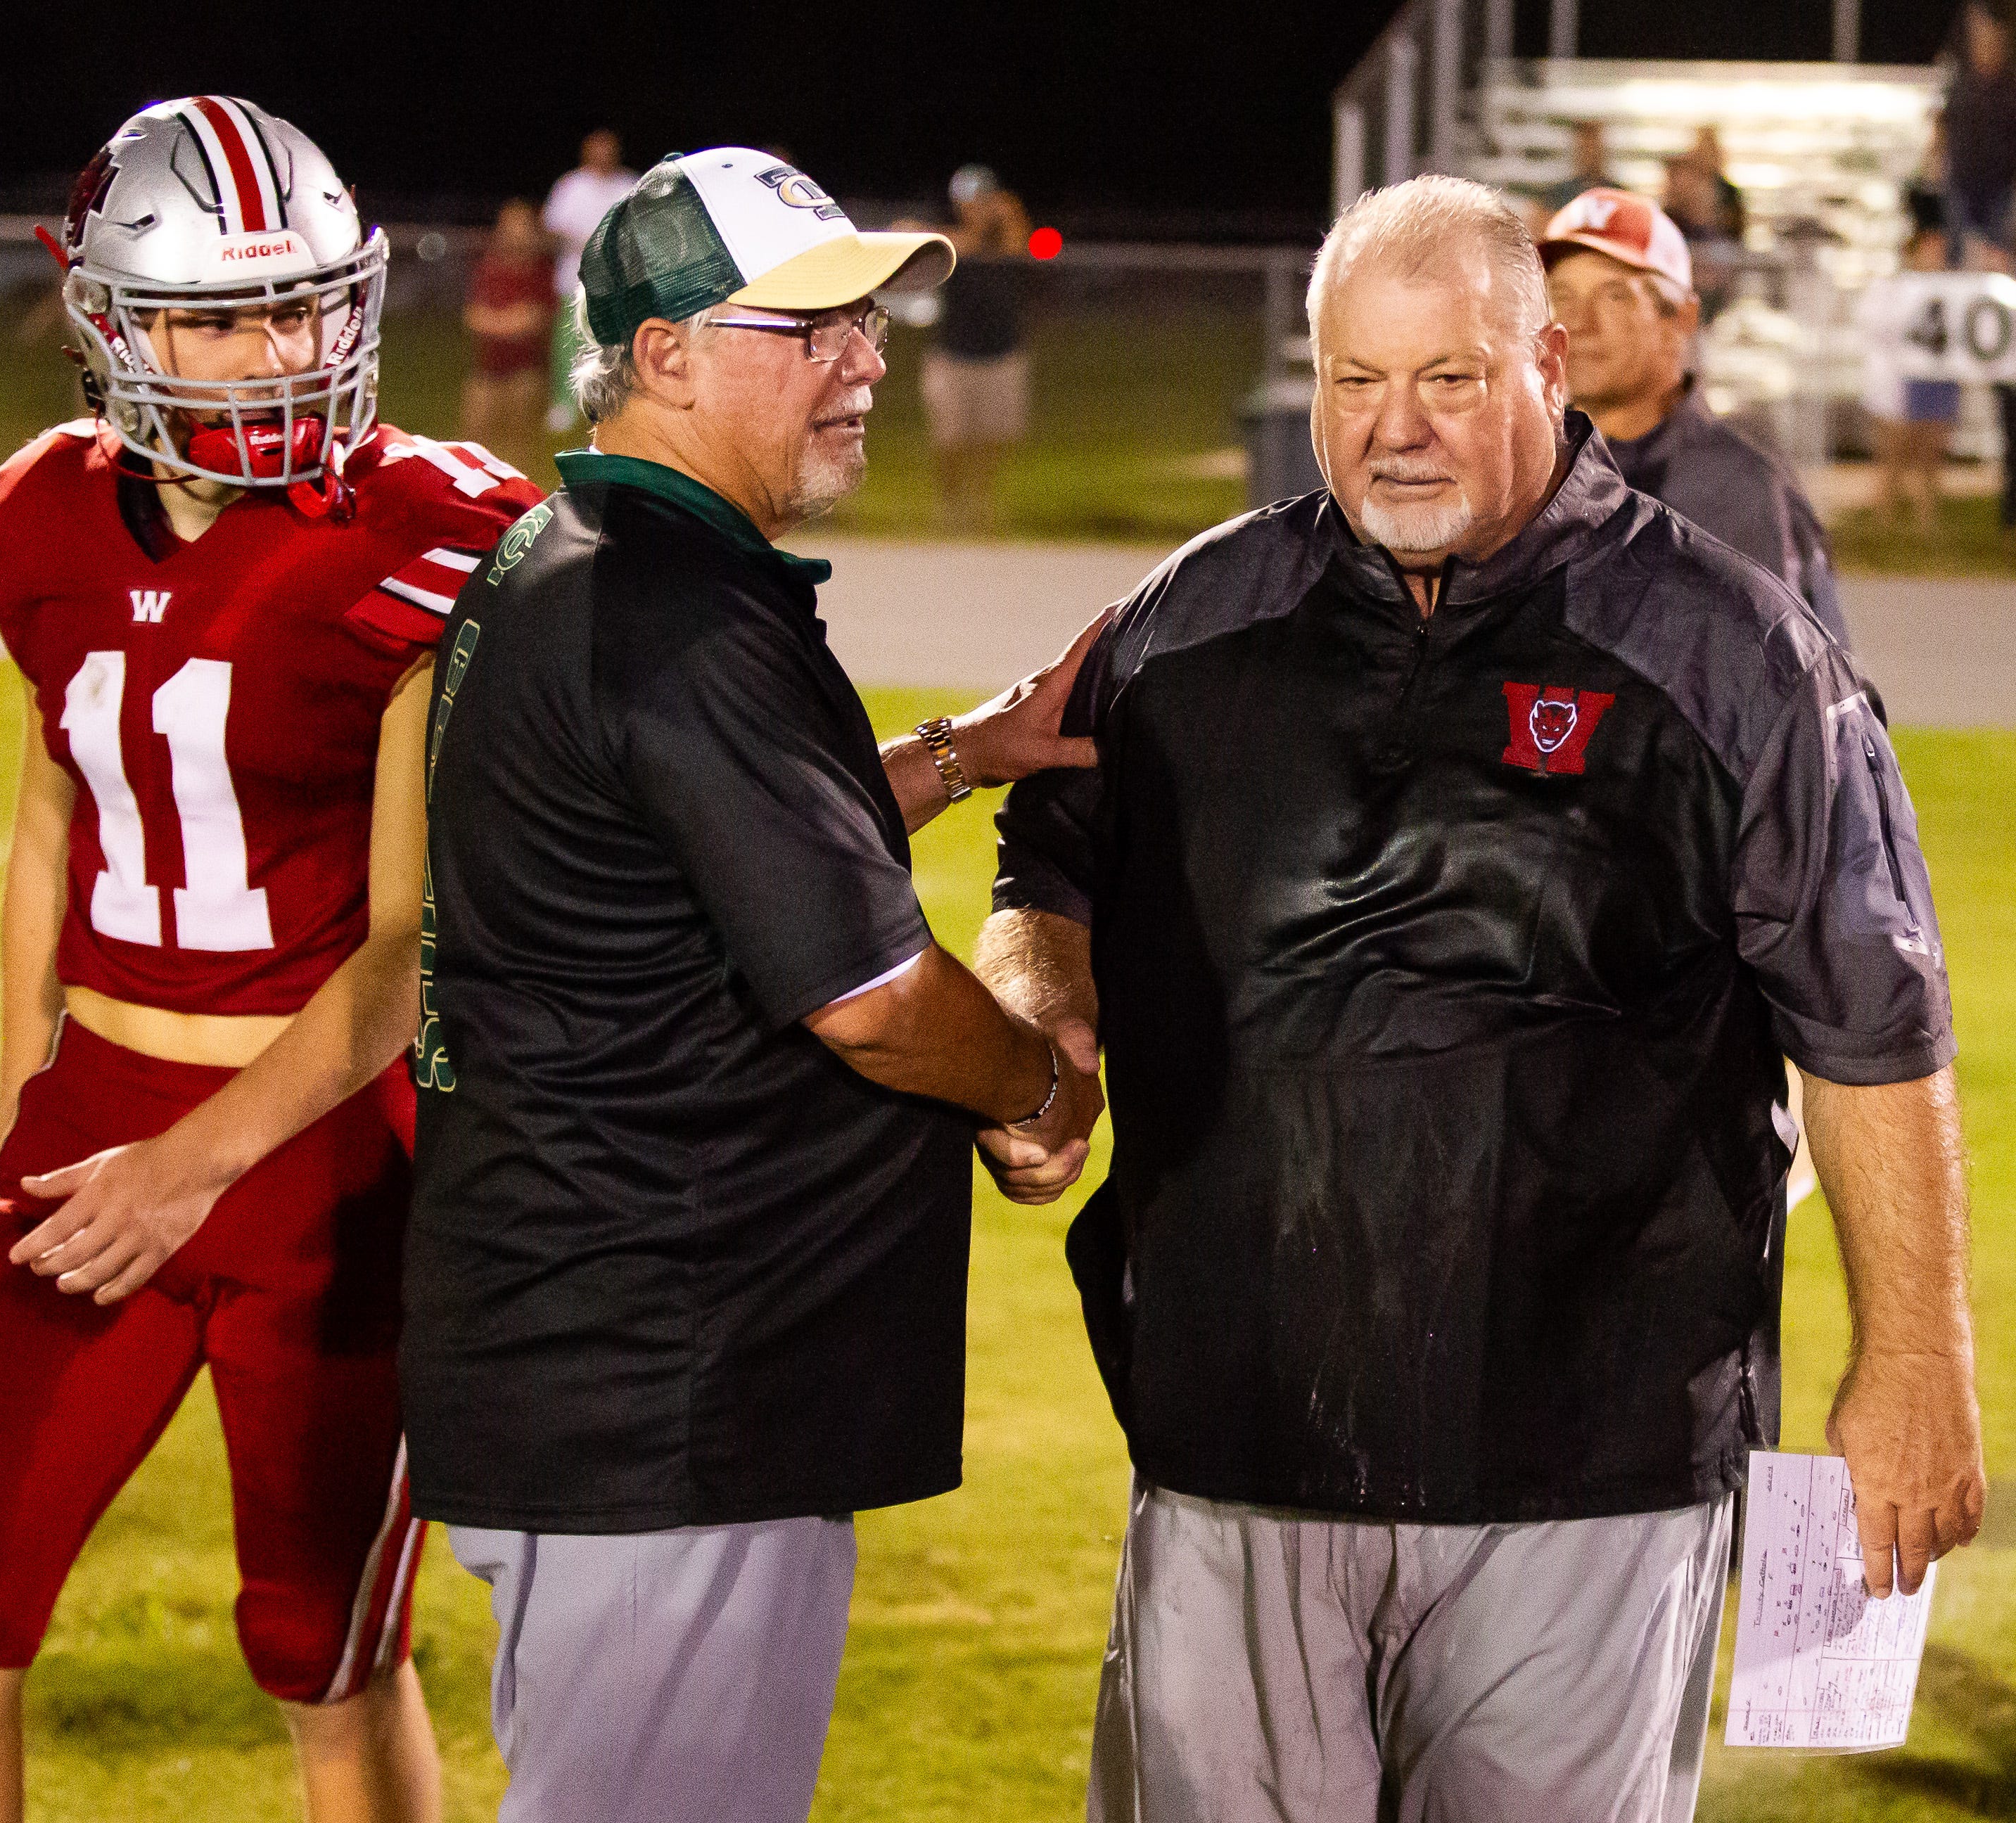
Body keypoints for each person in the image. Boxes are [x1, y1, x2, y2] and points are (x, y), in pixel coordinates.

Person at [978, 174, 1982, 1823]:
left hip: (1592, 1465)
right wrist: (1048, 1014)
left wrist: (1915, 1357)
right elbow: (1052, 852)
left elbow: (1869, 1004)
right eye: (1356, 382)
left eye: (1448, 379)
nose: (1397, 430)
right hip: (1240, 1441)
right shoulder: (1192, 619)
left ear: (1549, 370)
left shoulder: (1724, 650)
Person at [404, 148, 1106, 1823]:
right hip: (672, 1386)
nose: (866, 361)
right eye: (808, 329)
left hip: (598, 1359)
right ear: (663, 358)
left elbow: (693, 844)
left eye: (863, 323)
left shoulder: (573, 556)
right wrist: (1040, 1084)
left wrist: (953, 757)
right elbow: (865, 995)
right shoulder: (682, 619)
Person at [0, 98, 544, 1823]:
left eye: (307, 305)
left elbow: (415, 942)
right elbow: (52, 816)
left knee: (323, 1655)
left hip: (322, 1153)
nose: (278, 352)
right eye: (226, 314)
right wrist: (39, 1092)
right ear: (112, 319)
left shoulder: (423, 531)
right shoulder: (35, 517)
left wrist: (199, 1159)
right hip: (92, 1130)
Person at [1539, 186, 1850, 644]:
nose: (1579, 322)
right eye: (1561, 294)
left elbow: (1799, 690)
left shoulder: (1740, 486)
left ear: (1680, 320)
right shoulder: (1525, 471)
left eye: (1614, 297)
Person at [921, 163, 1036, 533]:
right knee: (950, 441)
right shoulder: (946, 238)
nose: (979, 207)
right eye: (970, 201)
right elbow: (910, 234)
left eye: (985, 200)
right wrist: (976, 228)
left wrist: (1011, 211)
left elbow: (1023, 246)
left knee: (993, 438)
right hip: (952, 356)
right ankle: (952, 507)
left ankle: (979, 504)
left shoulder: (1008, 240)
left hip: (1002, 354)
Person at [1944, 0, 2016, 530]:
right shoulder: (1961, 93)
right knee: (2003, 380)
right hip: (1986, 255)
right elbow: (1954, 179)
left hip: (2005, 245)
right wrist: (1967, 241)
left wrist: (2000, 238)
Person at [1861, 185, 1964, 532]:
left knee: (1931, 451)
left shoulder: (1955, 291)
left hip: (1938, 378)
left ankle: (1925, 518)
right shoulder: (1895, 289)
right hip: (1903, 379)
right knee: (1894, 452)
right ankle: (1884, 519)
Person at [540, 129, 639, 433]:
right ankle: (564, 405)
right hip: (573, 280)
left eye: (608, 149)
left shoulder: (630, 184)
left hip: (618, 284)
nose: (602, 154)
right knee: (569, 345)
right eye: (596, 149)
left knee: (618, 344)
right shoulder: (571, 185)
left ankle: (614, 404)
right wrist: (577, 240)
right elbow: (550, 229)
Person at [461, 198, 554, 479]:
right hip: (486, 372)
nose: (516, 233)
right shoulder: (489, 268)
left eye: (522, 226)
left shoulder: (541, 271)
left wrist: (496, 321)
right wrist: (508, 321)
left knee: (519, 446)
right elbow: (473, 316)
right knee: (471, 445)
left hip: (526, 374)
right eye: (511, 225)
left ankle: (517, 503)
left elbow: (534, 320)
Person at [1540, 118, 1612, 212]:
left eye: (1593, 148)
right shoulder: (1556, 195)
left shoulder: (1617, 193)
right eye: (1584, 149)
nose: (1589, 153)